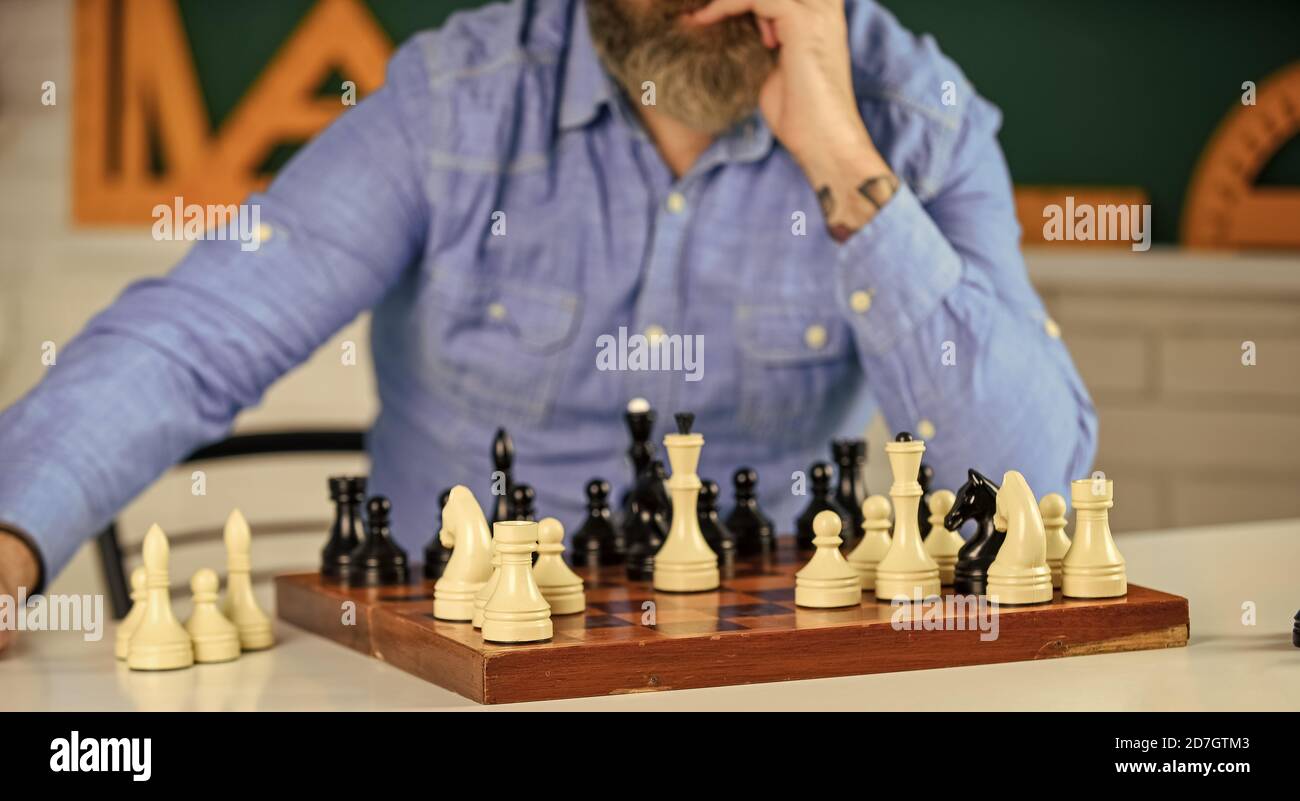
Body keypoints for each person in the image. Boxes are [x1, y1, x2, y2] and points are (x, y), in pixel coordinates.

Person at [0, 0, 1097, 648]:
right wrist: (11, 534)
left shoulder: (912, 118)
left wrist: (843, 159)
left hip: (769, 667)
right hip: (450, 659)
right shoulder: (454, 101)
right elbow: (196, 334)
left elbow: (1027, 484)